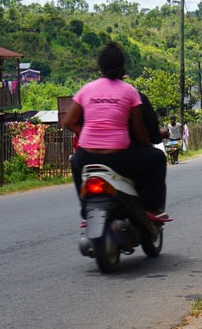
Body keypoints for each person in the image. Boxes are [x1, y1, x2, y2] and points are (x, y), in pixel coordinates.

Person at [64, 42, 167, 219]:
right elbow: (138, 129)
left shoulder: (87, 89)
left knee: (75, 162)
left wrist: (88, 135)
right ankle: (152, 208)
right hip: (117, 157)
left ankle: (86, 208)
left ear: (100, 68)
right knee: (158, 158)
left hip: (87, 156)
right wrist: (147, 144)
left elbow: (69, 122)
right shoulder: (130, 91)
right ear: (122, 67)